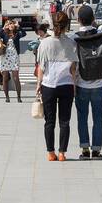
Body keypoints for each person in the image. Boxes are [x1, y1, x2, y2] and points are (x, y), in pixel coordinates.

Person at [36, 10, 77, 161]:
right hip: (66, 84)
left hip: (48, 85)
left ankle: (50, 153)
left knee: (49, 121)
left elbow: (41, 67)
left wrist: (38, 84)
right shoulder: (72, 43)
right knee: (65, 121)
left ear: (53, 25)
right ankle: (62, 153)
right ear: (67, 26)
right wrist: (75, 84)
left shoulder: (44, 43)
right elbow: (73, 68)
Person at [71, 4, 102, 159]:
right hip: (99, 83)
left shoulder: (75, 38)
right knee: (98, 118)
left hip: (81, 84)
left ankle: (85, 149)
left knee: (82, 117)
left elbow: (73, 63)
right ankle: (97, 150)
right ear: (93, 19)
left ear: (79, 20)